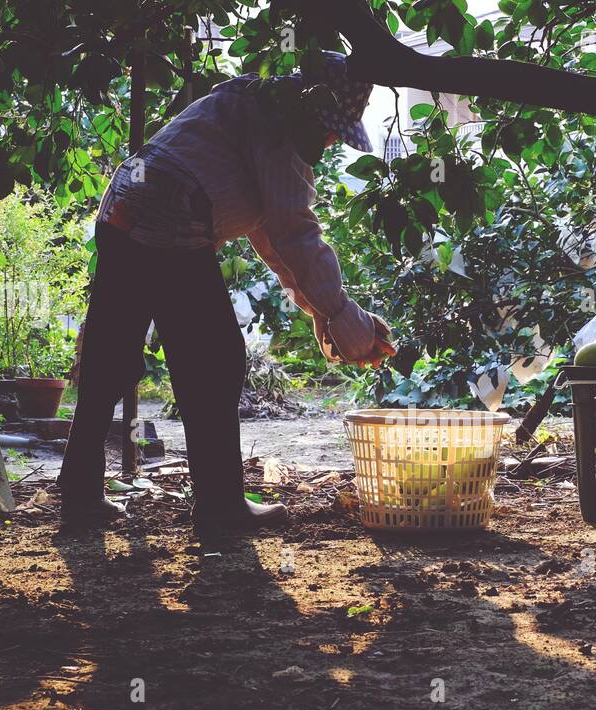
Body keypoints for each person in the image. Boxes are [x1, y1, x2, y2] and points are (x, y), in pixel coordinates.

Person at [59, 52, 394, 550]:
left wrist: (333, 319)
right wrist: (349, 324)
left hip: (124, 204)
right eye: (329, 131)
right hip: (171, 215)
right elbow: (294, 234)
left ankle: (79, 488)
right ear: (311, 111)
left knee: (113, 353)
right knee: (215, 359)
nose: (328, 144)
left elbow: (275, 243)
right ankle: (220, 504)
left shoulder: (252, 100)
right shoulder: (281, 131)